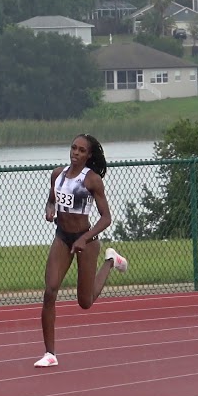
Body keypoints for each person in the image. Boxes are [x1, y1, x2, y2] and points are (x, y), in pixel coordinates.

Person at [35, 134, 128, 368]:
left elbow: (106, 218)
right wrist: (50, 210)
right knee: (49, 291)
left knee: (84, 302)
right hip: (62, 238)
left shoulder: (92, 180)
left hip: (86, 240)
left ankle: (111, 260)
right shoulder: (58, 175)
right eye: (73, 148)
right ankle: (50, 353)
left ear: (89, 155)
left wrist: (85, 239)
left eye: (81, 150)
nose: (75, 153)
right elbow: (51, 201)